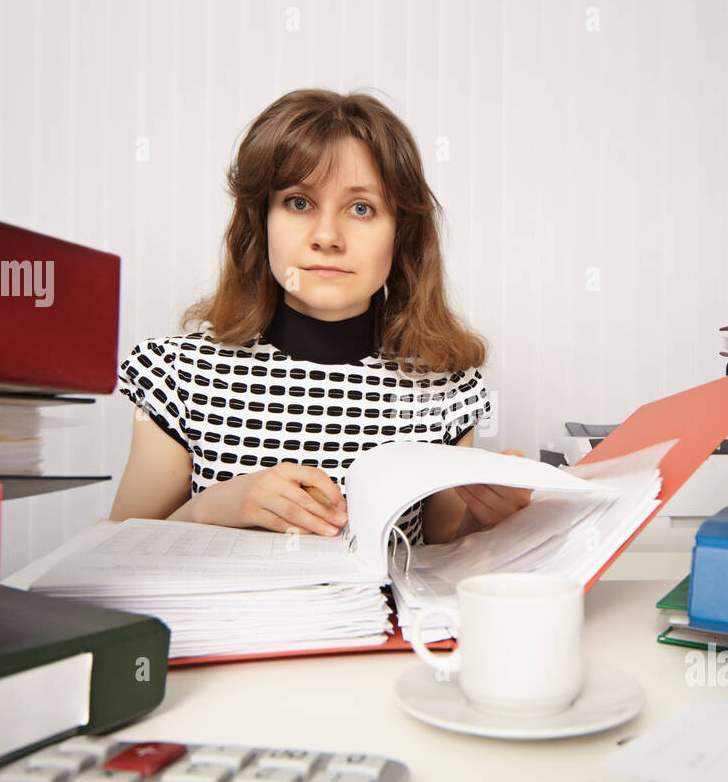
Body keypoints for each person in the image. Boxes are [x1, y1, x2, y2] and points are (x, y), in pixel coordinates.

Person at [110, 88, 531, 545]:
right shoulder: (177, 376)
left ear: (400, 234)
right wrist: (214, 507)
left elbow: (441, 554)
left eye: (361, 208)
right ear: (260, 223)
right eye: (299, 202)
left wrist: (487, 518)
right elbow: (113, 556)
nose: (328, 236)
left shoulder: (445, 390)